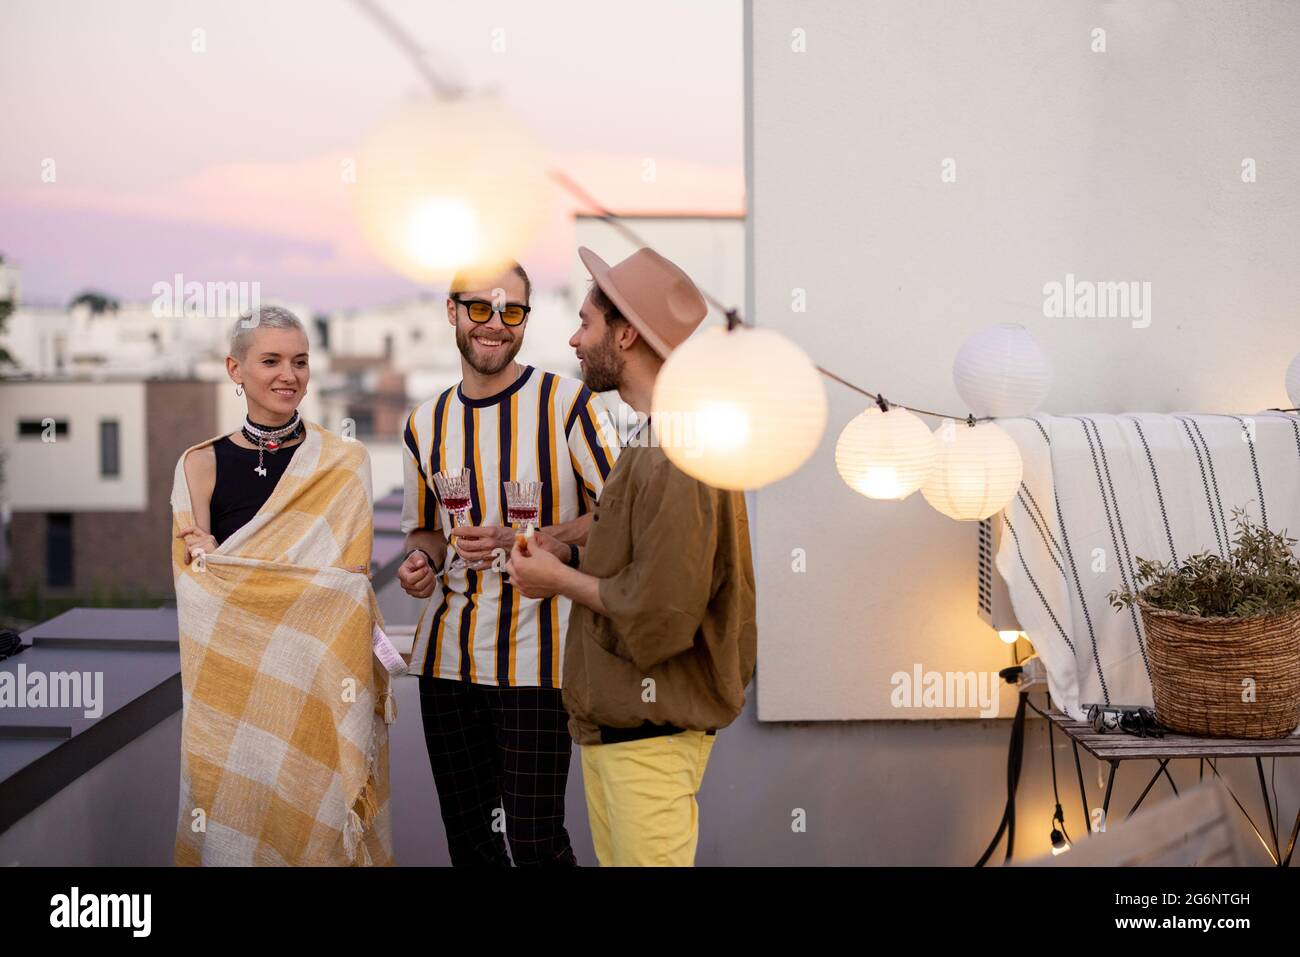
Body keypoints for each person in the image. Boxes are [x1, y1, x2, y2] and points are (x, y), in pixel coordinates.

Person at [507, 247, 757, 866]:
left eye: (586, 324)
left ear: (624, 336)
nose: (572, 338)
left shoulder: (679, 448)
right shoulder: (655, 435)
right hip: (622, 733)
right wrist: (563, 540)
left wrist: (557, 578)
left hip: (649, 737)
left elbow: (663, 607)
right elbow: (634, 537)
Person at [397, 260, 619, 866]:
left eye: (512, 311)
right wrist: (420, 562)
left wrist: (535, 540)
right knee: (470, 846)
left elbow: (621, 517)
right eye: (480, 309)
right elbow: (425, 532)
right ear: (452, 312)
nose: (496, 324)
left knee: (536, 845)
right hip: (446, 665)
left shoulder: (566, 403)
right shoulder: (424, 422)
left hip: (537, 666)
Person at [170, 305, 393, 866]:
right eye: (270, 361)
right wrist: (221, 575)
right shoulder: (200, 465)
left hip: (320, 688)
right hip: (230, 691)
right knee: (231, 827)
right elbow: (197, 591)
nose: (287, 375)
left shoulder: (345, 463)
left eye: (299, 361)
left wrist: (234, 571)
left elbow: (346, 590)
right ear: (234, 369)